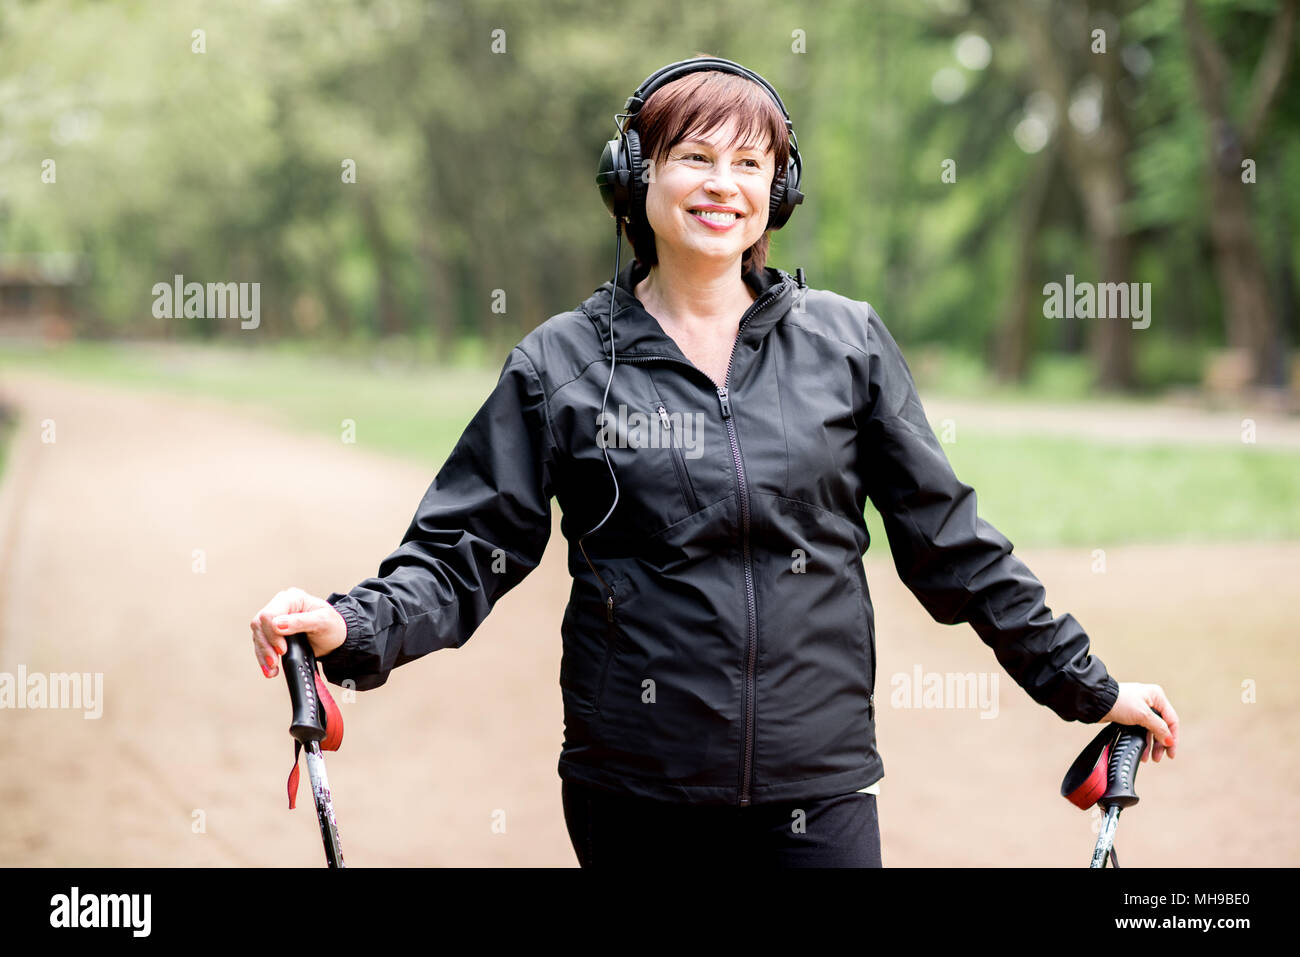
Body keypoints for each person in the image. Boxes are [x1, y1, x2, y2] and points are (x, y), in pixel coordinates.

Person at [249, 56, 1179, 868]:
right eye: (694, 156)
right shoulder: (561, 363)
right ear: (635, 175)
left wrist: (1089, 686)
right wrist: (352, 622)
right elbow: (466, 550)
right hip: (635, 797)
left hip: (820, 791)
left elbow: (952, 544)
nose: (722, 183)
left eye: (749, 163)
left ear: (777, 190)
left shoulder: (846, 344)